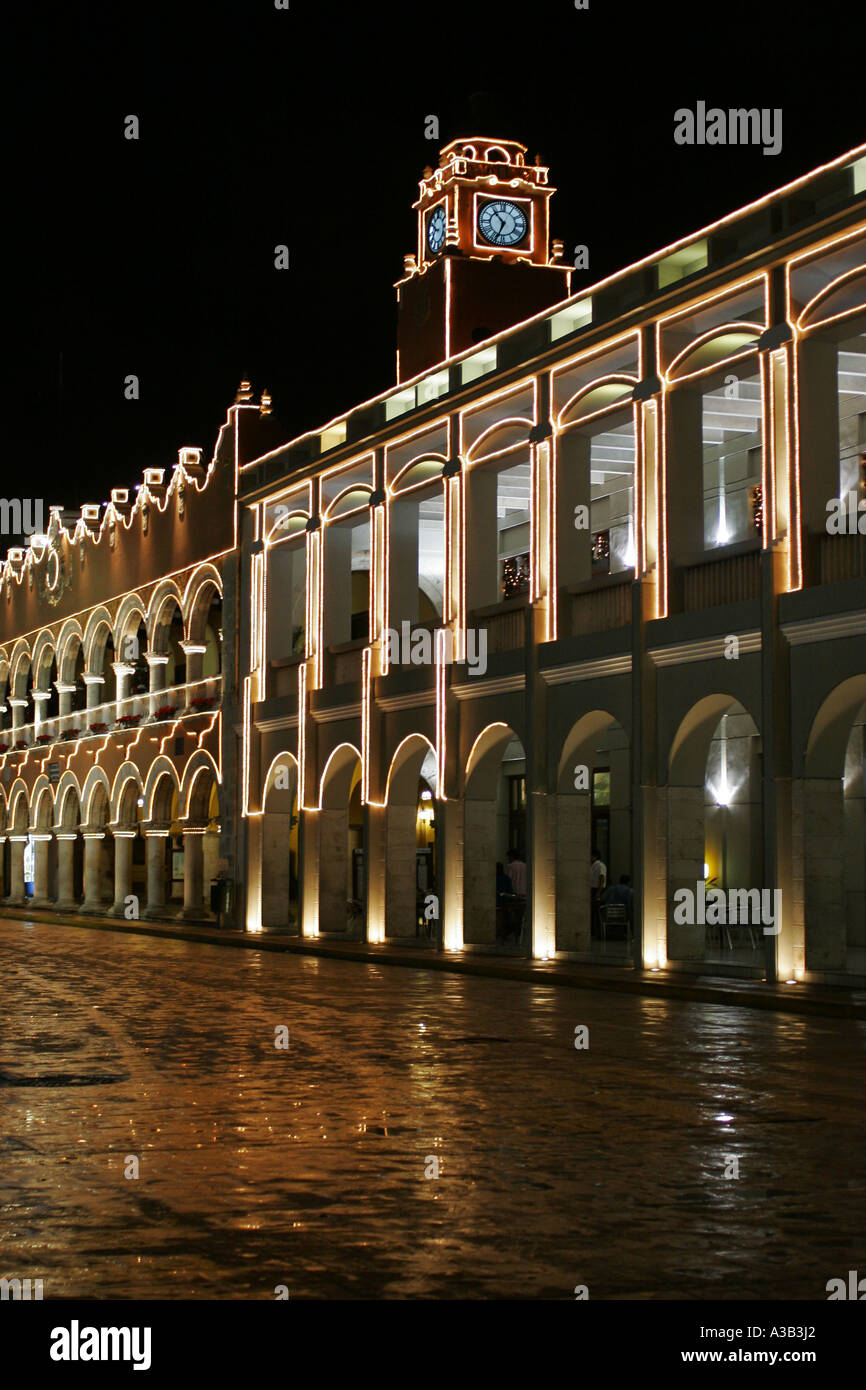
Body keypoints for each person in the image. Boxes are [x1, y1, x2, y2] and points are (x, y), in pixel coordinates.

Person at [600, 873, 634, 939]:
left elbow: (602, 898)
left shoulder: (611, 889)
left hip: (608, 915)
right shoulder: (630, 891)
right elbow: (632, 905)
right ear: (629, 882)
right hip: (623, 916)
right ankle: (632, 935)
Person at [590, 847, 607, 938]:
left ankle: (598, 932)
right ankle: (593, 932)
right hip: (592, 889)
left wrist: (598, 893)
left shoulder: (600, 865)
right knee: (593, 912)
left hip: (597, 889)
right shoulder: (592, 866)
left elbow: (602, 878)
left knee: (597, 912)